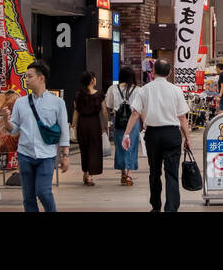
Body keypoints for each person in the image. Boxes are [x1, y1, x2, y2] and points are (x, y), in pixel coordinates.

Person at [122, 58, 191, 212]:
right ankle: (171, 208)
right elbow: (182, 118)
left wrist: (126, 135)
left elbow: (135, 113)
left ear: (153, 72)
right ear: (170, 73)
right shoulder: (176, 90)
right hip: (172, 134)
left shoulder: (144, 89)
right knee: (172, 173)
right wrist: (188, 138)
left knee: (154, 172)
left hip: (153, 134)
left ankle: (155, 206)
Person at [3, 60, 69, 212]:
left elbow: (64, 131)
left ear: (41, 78)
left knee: (43, 192)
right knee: (28, 196)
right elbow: (13, 130)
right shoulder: (20, 103)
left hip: (47, 155)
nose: (26, 79)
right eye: (25, 76)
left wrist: (65, 155)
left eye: (29, 76)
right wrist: (6, 120)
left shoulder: (57, 103)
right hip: (25, 154)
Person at [105, 67, 141, 186]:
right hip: (133, 121)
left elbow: (109, 105)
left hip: (118, 121)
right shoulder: (138, 90)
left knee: (120, 146)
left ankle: (123, 174)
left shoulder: (113, 89)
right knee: (132, 146)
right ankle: (129, 174)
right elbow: (140, 109)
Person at [72, 71, 105, 186]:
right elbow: (104, 111)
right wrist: (105, 124)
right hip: (94, 124)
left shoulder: (78, 95)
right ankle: (90, 176)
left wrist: (73, 125)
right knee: (94, 149)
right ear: (92, 80)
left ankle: (85, 173)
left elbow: (76, 111)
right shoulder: (99, 94)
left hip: (82, 124)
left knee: (84, 149)